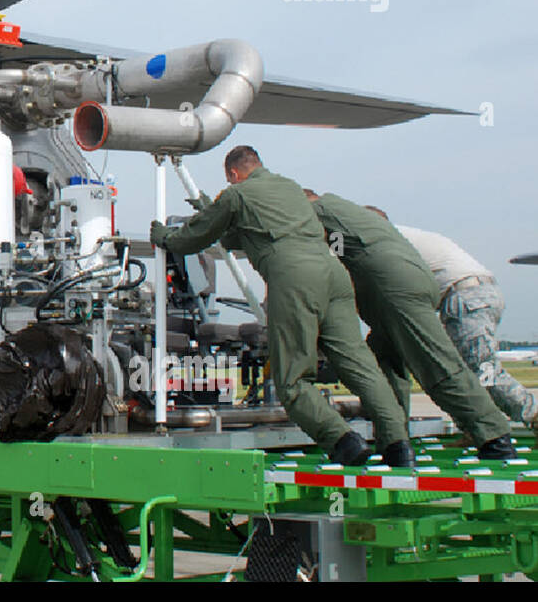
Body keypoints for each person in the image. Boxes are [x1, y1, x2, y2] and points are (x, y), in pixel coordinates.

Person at [150, 146, 408, 465]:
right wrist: (208, 208)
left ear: (233, 174)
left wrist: (164, 236)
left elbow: (197, 237)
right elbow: (238, 236)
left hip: (296, 277)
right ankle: (398, 445)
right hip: (334, 275)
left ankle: (344, 442)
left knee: (293, 382)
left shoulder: (237, 194)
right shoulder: (290, 188)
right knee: (361, 366)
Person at [304, 192, 515, 461]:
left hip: (415, 294)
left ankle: (494, 436)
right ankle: (394, 441)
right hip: (409, 293)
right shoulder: (356, 227)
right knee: (384, 361)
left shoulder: (329, 217)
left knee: (437, 365)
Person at [393, 222, 538, 433]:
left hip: (466, 296)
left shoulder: (383, 238)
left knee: (481, 368)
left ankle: (531, 415)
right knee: (467, 370)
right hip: (476, 293)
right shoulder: (406, 235)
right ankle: (482, 429)